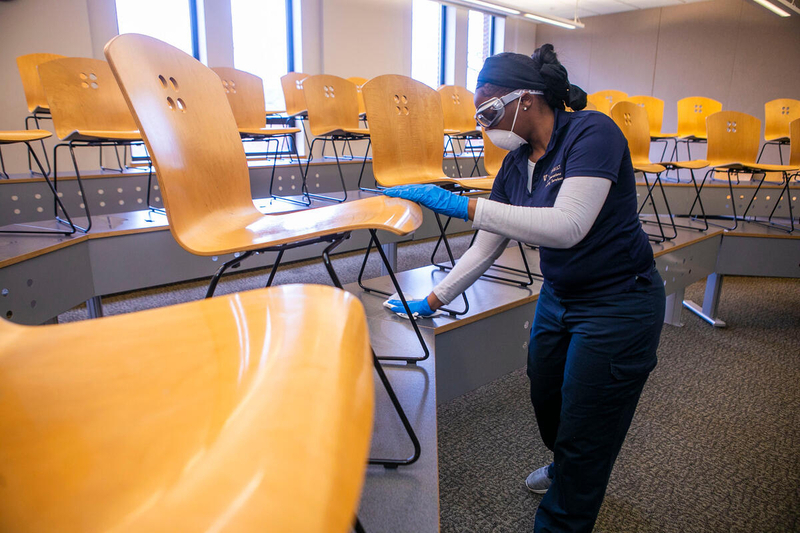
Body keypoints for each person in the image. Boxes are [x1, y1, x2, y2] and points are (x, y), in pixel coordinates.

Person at [384, 44, 666, 532]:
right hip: (560, 298)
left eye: (489, 111)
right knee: (547, 394)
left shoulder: (591, 132)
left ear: (527, 100)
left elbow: (567, 226)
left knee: (587, 428)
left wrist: (462, 206)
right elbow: (485, 246)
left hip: (620, 303)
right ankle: (566, 466)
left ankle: (566, 502)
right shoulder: (516, 164)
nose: (484, 125)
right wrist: (432, 300)